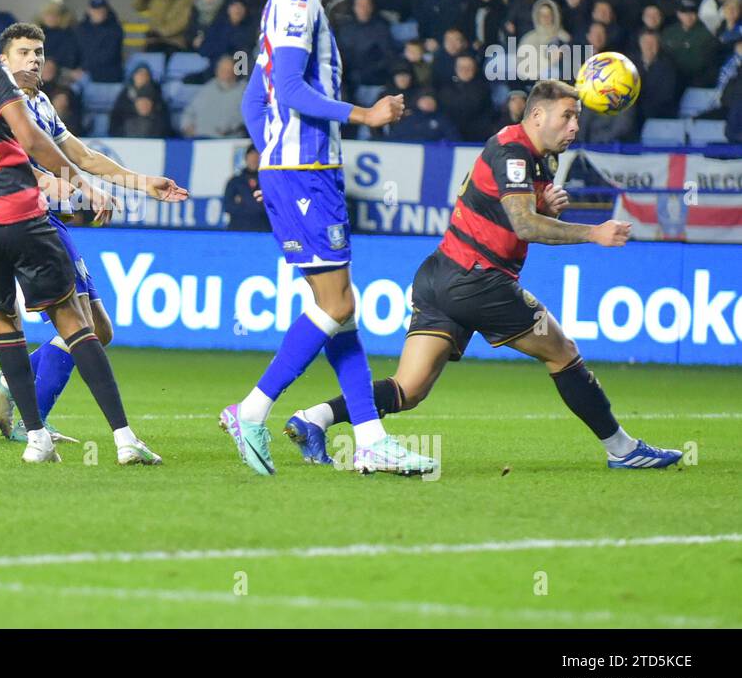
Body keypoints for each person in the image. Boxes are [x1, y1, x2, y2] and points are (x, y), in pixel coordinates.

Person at [287, 81, 683, 471]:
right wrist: (593, 233)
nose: (574, 127)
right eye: (567, 117)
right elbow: (526, 226)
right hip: (478, 281)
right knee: (561, 351)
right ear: (538, 115)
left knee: (408, 390)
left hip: (439, 276)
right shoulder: (513, 151)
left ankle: (315, 418)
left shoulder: (543, 157)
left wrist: (545, 205)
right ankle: (622, 448)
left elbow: (520, 213)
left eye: (577, 117)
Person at [0, 0, 183, 465]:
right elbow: (29, 141)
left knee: (6, 323)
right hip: (22, 213)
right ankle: (125, 440)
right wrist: (75, 183)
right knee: (76, 322)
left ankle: (36, 441)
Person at [230, 0, 436, 477]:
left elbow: (256, 102)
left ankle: (369, 437)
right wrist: (365, 114)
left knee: (340, 309)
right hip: (307, 171)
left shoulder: (280, 3)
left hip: (293, 168)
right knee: (339, 305)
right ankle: (251, 410)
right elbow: (291, 90)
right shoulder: (299, 3)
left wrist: (272, 154)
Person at [0, 22, 187, 442]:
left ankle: (11, 383)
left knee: (99, 329)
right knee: (83, 323)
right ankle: (30, 417)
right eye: (23, 51)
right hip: (22, 220)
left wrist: (143, 182)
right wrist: (53, 182)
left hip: (46, 218)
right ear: (2, 59)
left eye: (38, 51)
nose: (34, 59)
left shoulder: (38, 103)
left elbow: (83, 156)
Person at [224, 144, 270, 231]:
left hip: (263, 230)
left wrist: (244, 202)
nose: (254, 159)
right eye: (251, 155)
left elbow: (270, 206)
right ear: (246, 158)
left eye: (257, 156)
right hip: (238, 229)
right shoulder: (235, 182)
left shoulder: (267, 181)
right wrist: (255, 205)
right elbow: (228, 206)